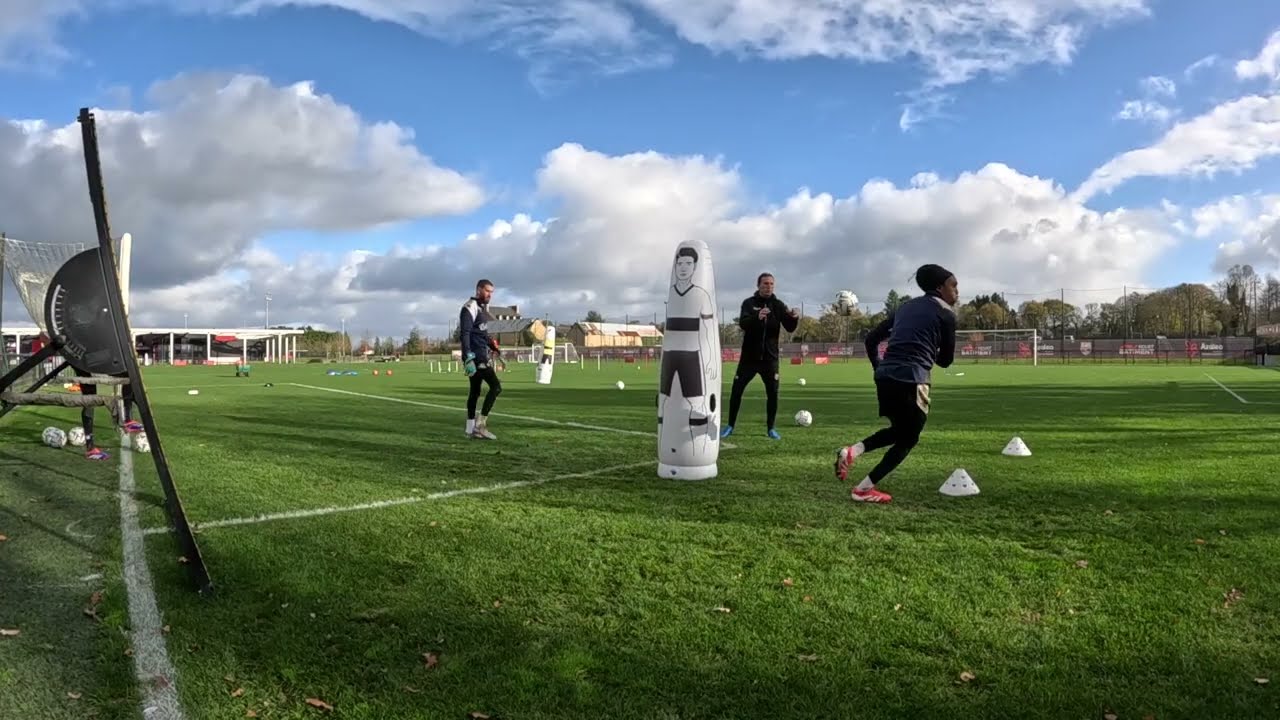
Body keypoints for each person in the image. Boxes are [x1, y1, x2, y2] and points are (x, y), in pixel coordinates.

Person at [833, 264, 959, 503]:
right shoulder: (946, 314)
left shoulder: (905, 307)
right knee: (909, 438)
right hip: (913, 379)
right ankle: (863, 490)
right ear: (939, 287)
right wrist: (930, 348)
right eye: (954, 286)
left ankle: (853, 451)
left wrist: (878, 367)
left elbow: (871, 339)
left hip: (885, 377)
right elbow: (945, 361)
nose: (957, 292)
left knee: (899, 431)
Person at [721, 272, 798, 439]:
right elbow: (743, 323)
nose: (768, 286)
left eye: (771, 284)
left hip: (770, 360)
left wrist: (794, 317)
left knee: (772, 393)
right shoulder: (749, 303)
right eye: (765, 284)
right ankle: (730, 426)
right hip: (749, 359)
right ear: (758, 286)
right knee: (736, 391)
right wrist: (757, 316)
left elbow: (790, 327)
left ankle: (771, 429)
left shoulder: (778, 305)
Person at [459, 278, 502, 440]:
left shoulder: (481, 309)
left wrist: (493, 347)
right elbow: (465, 334)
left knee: (475, 392)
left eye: (491, 292)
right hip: (476, 358)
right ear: (478, 290)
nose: (490, 295)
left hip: (481, 355)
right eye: (487, 291)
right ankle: (480, 425)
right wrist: (467, 357)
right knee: (496, 387)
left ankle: (470, 430)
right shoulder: (469, 308)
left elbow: (482, 334)